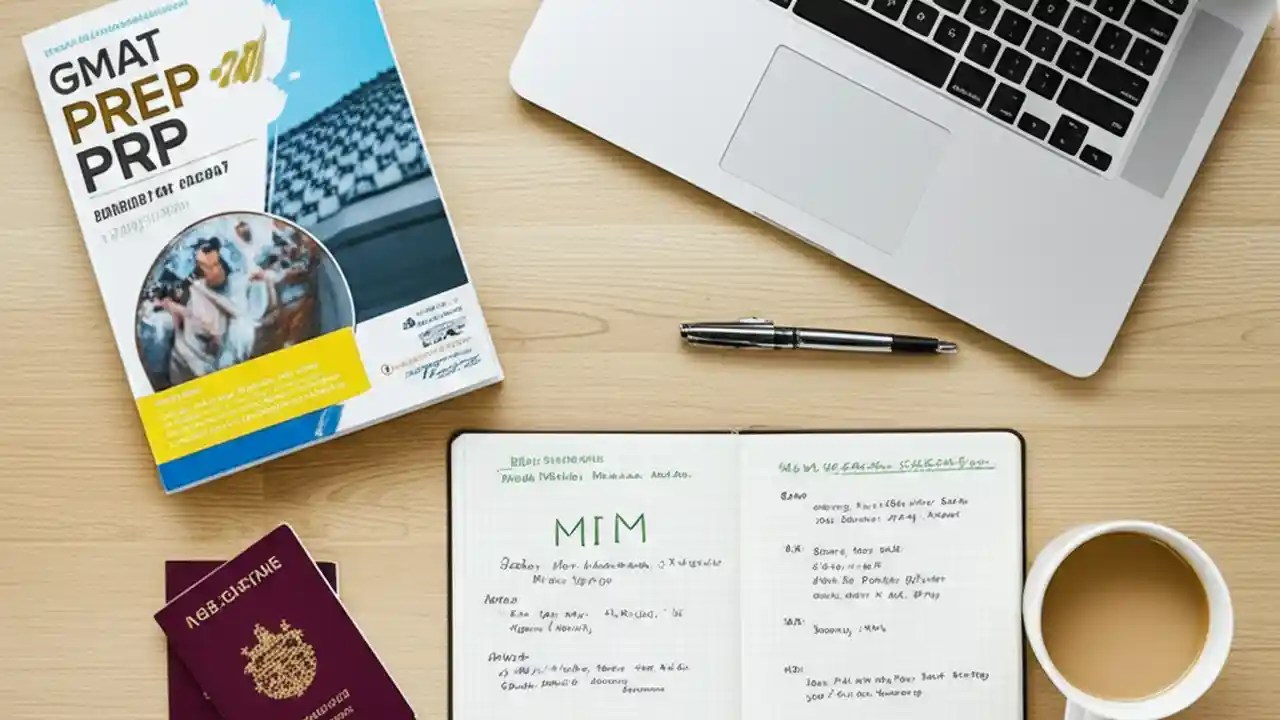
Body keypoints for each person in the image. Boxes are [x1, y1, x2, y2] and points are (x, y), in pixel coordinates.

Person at [160, 237, 264, 384]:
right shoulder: (197, 288)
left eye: (215, 265)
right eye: (204, 267)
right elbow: (197, 320)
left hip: (227, 360)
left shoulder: (238, 285)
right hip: (195, 356)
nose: (212, 271)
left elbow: (241, 316)